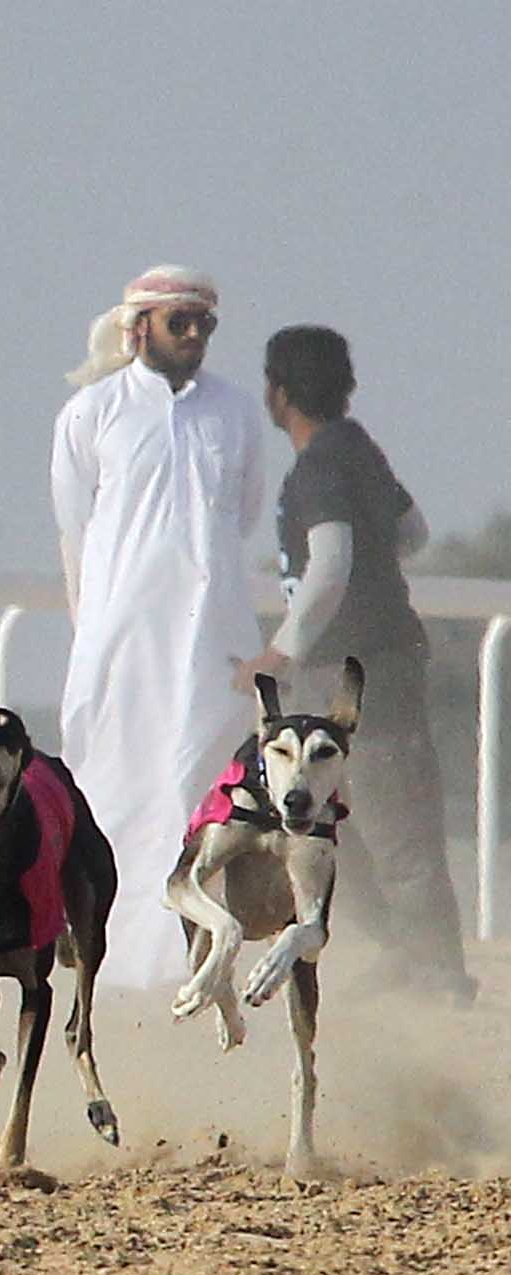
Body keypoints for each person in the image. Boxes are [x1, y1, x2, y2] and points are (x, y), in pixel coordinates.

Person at [52, 266, 267, 992]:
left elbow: (241, 517)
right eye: (183, 322)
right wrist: (94, 633)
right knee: (109, 795)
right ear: (138, 327)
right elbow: (74, 531)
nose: (197, 335)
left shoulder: (235, 412)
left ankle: (185, 965)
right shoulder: (92, 412)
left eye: (206, 323)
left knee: (195, 796)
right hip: (120, 644)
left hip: (211, 642)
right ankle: (100, 966)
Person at [256, 326, 470, 1005]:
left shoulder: (319, 466)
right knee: (353, 834)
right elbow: (413, 532)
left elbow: (329, 566)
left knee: (394, 834)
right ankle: (405, 960)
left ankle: (437, 979)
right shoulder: (359, 450)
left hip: (350, 673)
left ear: (279, 393)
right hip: (377, 659)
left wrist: (279, 650)